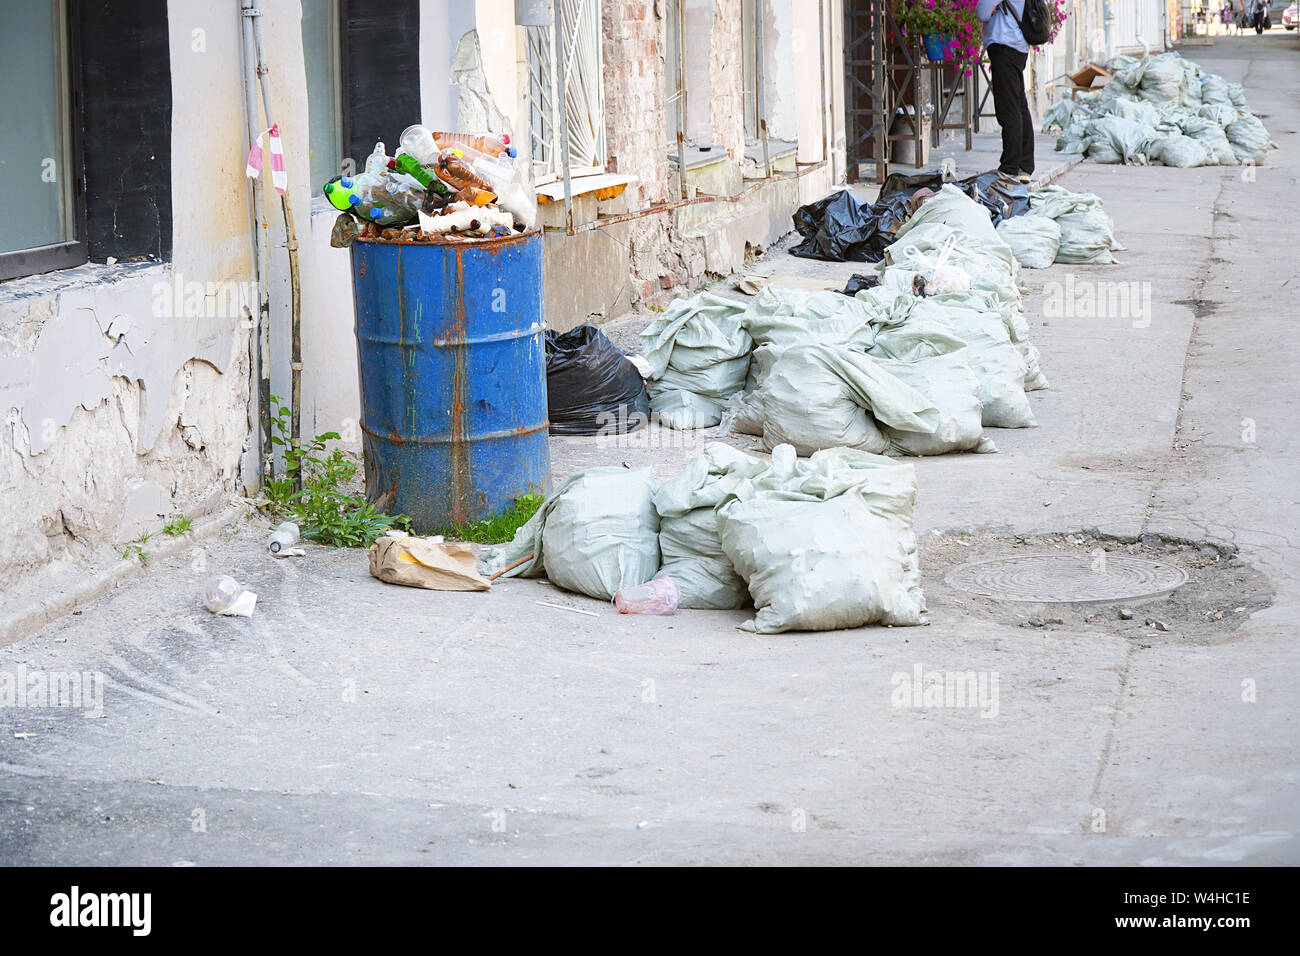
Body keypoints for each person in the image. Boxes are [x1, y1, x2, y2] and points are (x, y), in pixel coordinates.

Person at [977, 1, 1033, 184]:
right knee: (1018, 104)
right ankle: (1024, 164)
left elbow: (982, 12)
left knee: (1008, 107)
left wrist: (991, 9)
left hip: (1004, 43)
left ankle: (1010, 166)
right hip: (1017, 44)